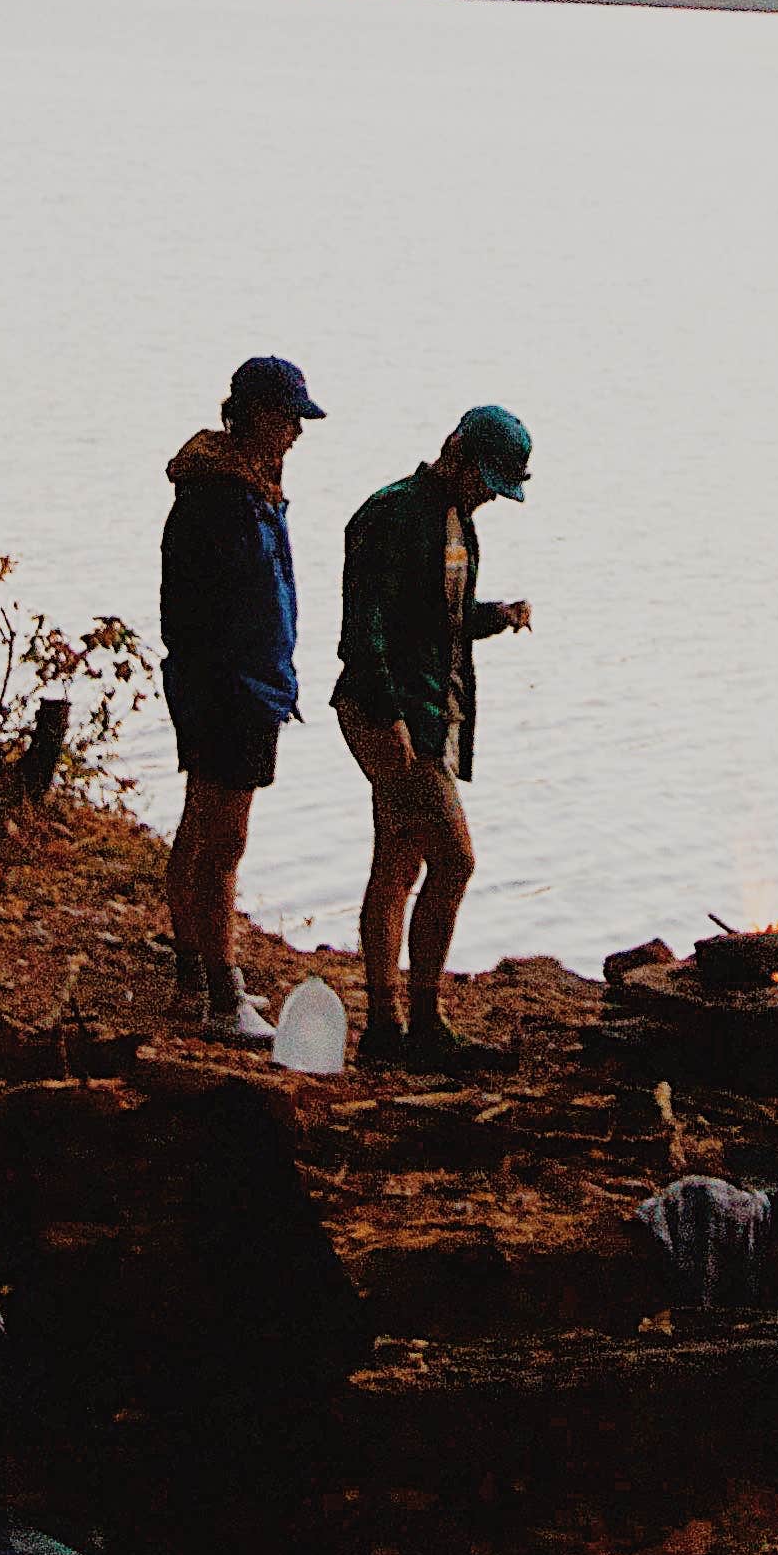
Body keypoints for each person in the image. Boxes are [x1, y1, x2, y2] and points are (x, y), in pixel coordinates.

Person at [334, 403, 534, 1069]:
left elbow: (433, 619)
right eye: (485, 480)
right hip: (389, 714)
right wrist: (388, 716)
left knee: (398, 861)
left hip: (427, 711)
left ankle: (387, 1029)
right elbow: (365, 629)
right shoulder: (391, 513)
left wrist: (495, 616)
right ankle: (421, 1021)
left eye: (498, 488)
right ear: (455, 454)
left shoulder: (458, 524)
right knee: (454, 859)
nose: (489, 496)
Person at [159, 353, 323, 1041]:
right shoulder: (221, 499)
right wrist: (232, 685)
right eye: (289, 418)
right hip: (231, 687)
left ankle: (194, 974)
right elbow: (204, 607)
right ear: (257, 414)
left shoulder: (249, 488)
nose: (296, 433)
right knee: (224, 839)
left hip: (241, 684)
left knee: (201, 825)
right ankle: (223, 1000)